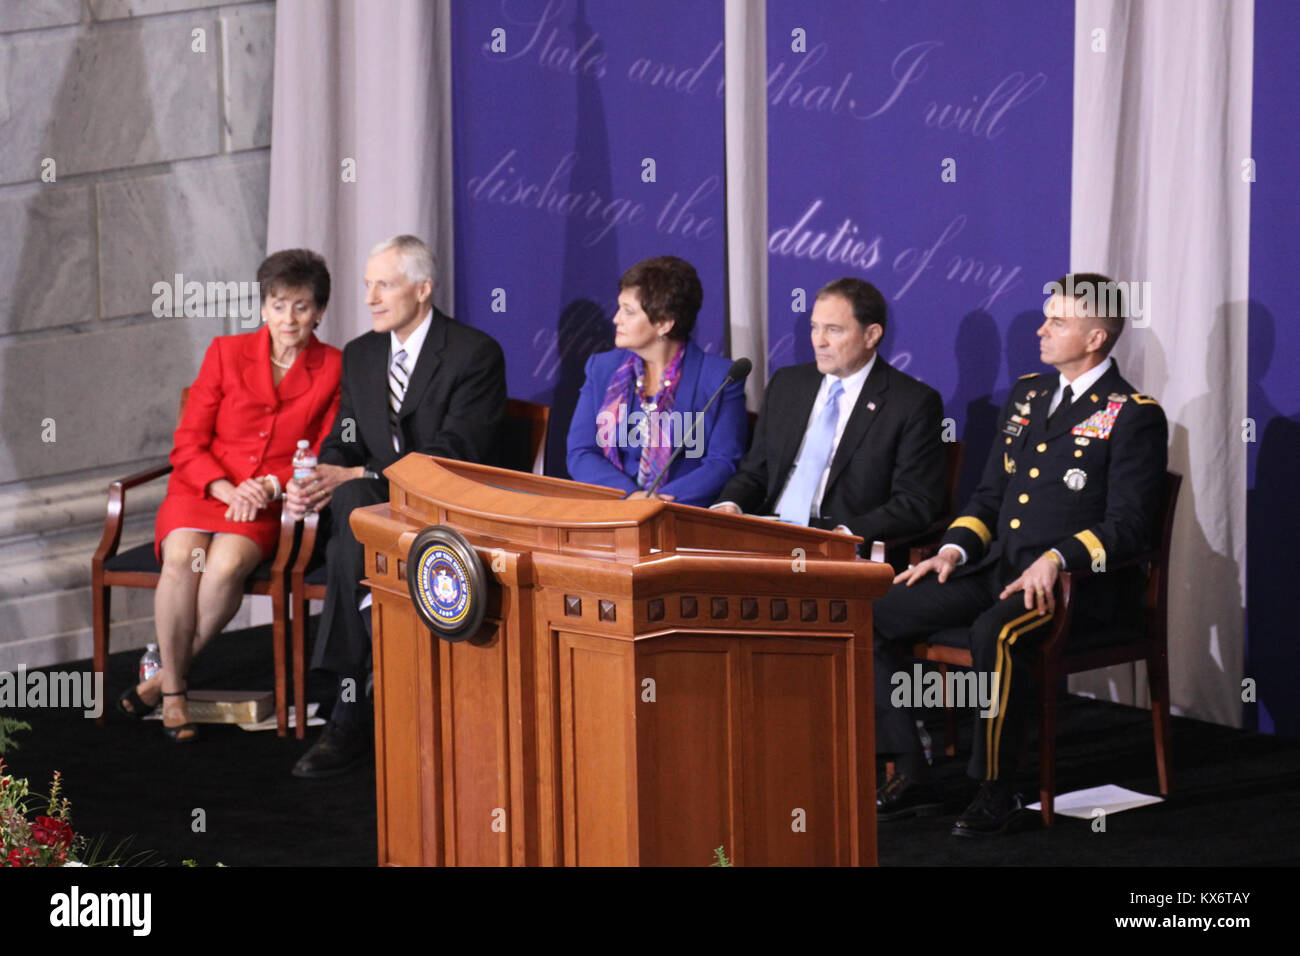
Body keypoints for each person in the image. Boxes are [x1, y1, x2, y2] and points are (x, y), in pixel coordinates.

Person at [872, 273, 1168, 836]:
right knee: (875, 609)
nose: (1042, 329)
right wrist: (954, 549)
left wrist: (1058, 559)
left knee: (997, 632)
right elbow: (990, 495)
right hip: (998, 567)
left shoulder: (1133, 414)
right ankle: (912, 771)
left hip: (1074, 588)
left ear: (1095, 337)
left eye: (1058, 321)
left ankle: (996, 789)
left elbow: (1129, 528)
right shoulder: (1030, 394)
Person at [286, 234, 507, 778]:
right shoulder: (361, 354)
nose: (370, 298)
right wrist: (320, 474)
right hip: (373, 511)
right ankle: (360, 695)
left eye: (383, 284)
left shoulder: (473, 354)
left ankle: (347, 707)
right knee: (352, 508)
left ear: (423, 289)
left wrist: (356, 474)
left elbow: (456, 455)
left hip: (444, 509)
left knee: (355, 505)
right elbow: (346, 436)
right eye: (367, 286)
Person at [117, 249, 342, 741]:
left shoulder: (333, 368)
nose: (289, 318)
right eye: (279, 305)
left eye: (301, 307)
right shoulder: (224, 352)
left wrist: (268, 485)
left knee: (221, 568)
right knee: (182, 559)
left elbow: (327, 448)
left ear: (319, 311)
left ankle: (160, 681)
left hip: (267, 502)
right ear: (263, 307)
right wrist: (223, 486)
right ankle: (174, 693)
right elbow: (188, 442)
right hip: (202, 489)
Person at [710, 277, 945, 550]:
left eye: (833, 330)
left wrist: (848, 533)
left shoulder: (912, 403)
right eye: (814, 327)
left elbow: (915, 501)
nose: (818, 341)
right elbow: (755, 473)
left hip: (840, 540)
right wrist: (730, 504)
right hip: (768, 530)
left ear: (871, 335)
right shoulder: (787, 384)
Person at [566, 256, 748, 506]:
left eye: (628, 311)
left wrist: (657, 503)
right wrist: (631, 496)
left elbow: (722, 462)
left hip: (681, 514)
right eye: (619, 307)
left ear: (664, 323)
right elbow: (581, 451)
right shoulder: (602, 368)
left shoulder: (720, 378)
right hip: (613, 508)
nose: (616, 319)